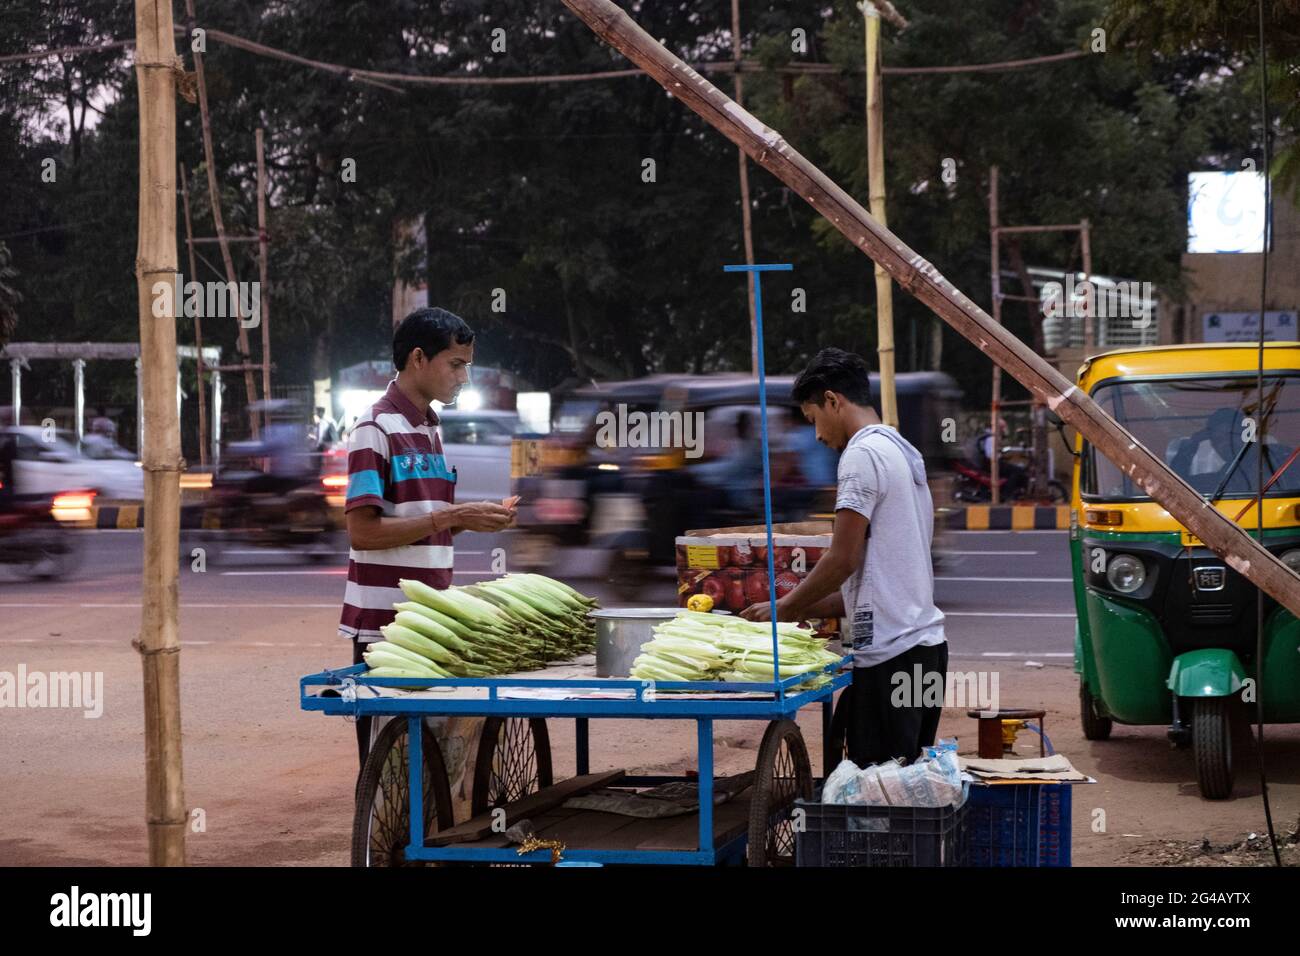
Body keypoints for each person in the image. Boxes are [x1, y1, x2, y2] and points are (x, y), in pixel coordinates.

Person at [740, 347, 947, 768]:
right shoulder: (903, 451)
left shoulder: (861, 455)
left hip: (893, 657)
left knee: (879, 798)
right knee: (899, 785)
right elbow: (875, 577)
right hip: (925, 652)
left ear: (833, 401)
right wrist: (789, 611)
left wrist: (785, 606)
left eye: (814, 419)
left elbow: (843, 559)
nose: (816, 435)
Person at [339, 307, 516, 768]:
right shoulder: (374, 428)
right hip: (385, 627)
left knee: (429, 762)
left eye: (466, 366)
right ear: (418, 358)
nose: (463, 378)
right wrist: (450, 516)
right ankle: (379, 845)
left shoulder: (430, 429)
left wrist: (471, 519)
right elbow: (363, 531)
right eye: (456, 365)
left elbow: (424, 520)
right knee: (389, 766)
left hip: (430, 619)